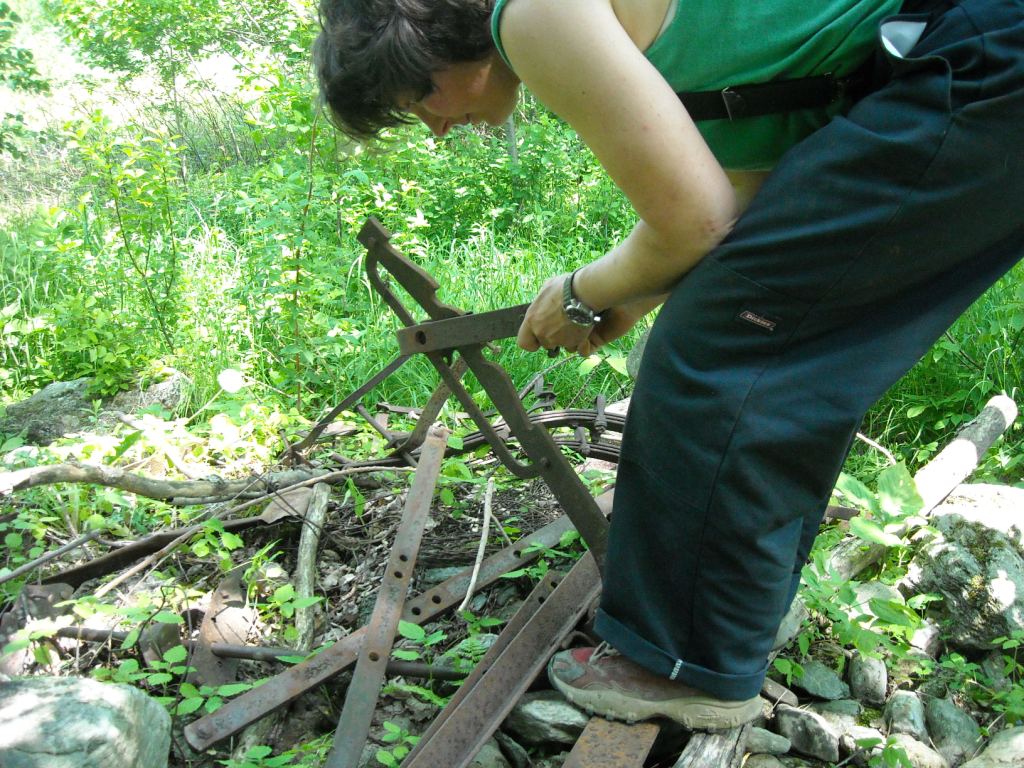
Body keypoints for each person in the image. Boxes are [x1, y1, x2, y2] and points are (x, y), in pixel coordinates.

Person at [314, 0, 1024, 730]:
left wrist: (581, 291)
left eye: (419, 98)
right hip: (978, 61)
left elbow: (698, 221)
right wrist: (624, 298)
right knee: (758, 329)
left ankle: (684, 664)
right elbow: (745, 204)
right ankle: (740, 615)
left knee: (718, 353)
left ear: (430, 43)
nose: (433, 128)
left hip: (977, 65)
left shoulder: (532, 14)